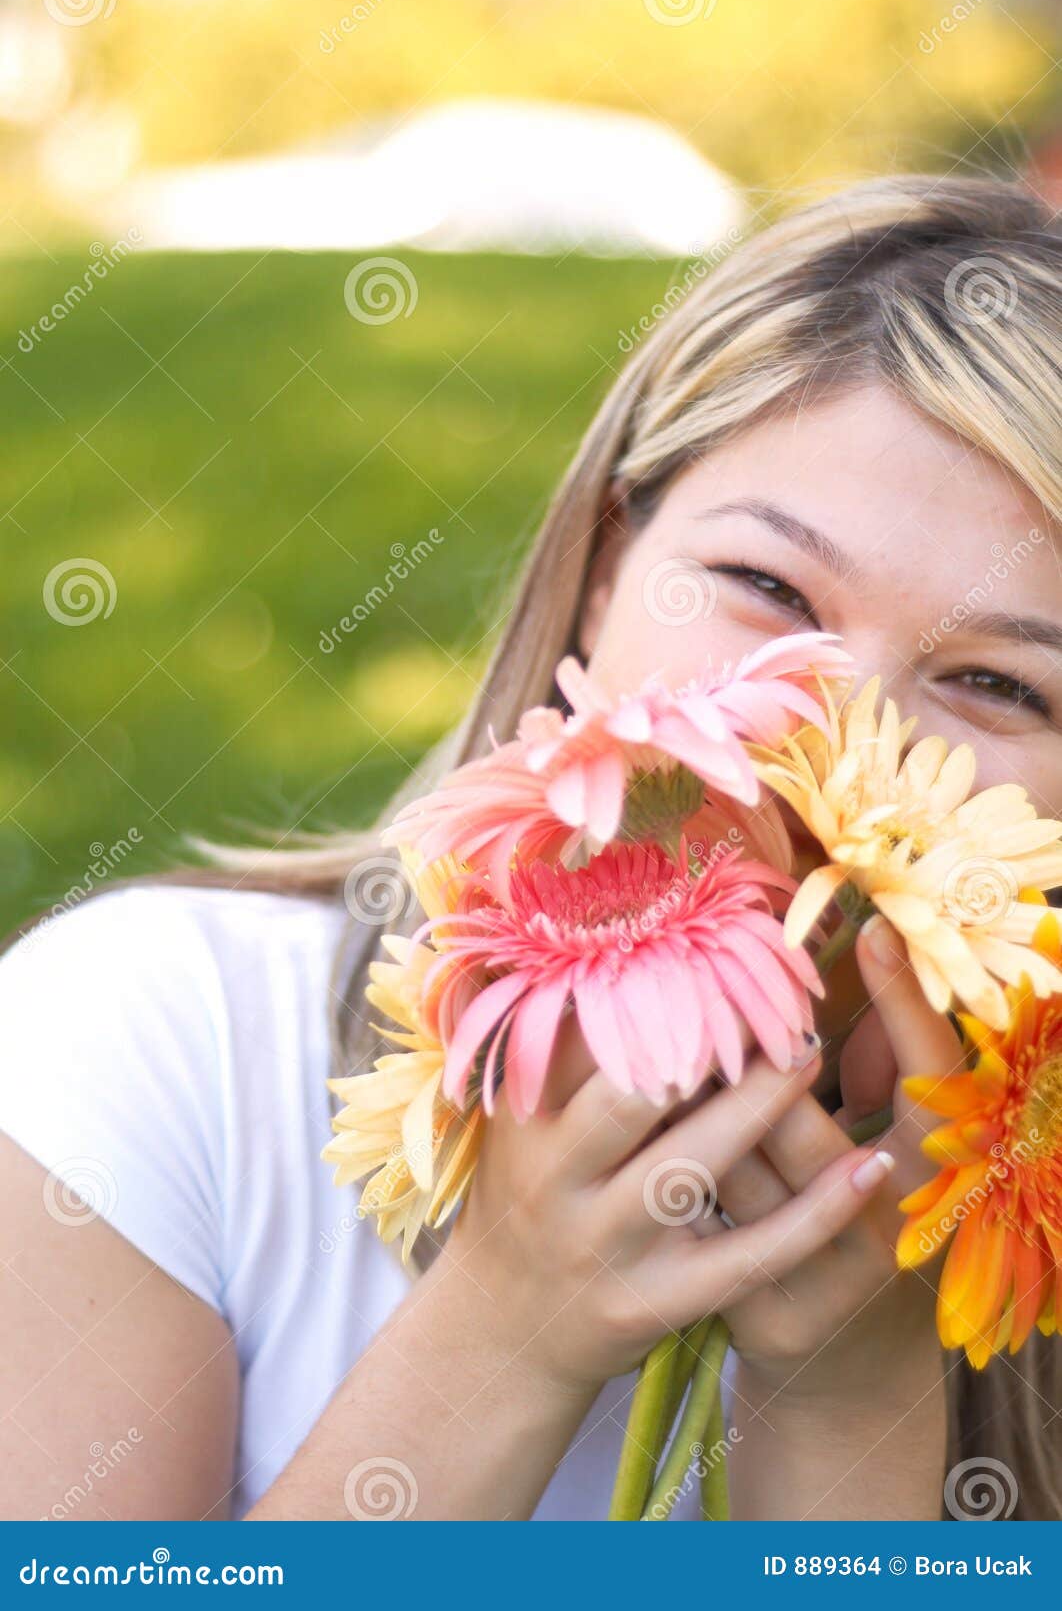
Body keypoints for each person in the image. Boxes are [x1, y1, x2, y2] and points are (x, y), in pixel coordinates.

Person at [1, 173, 1059, 1521]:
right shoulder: (149, 1037)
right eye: (767, 589)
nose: (831, 729)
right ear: (610, 568)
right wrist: (505, 1330)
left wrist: (858, 1385)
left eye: (998, 685)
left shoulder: (1023, 1243)